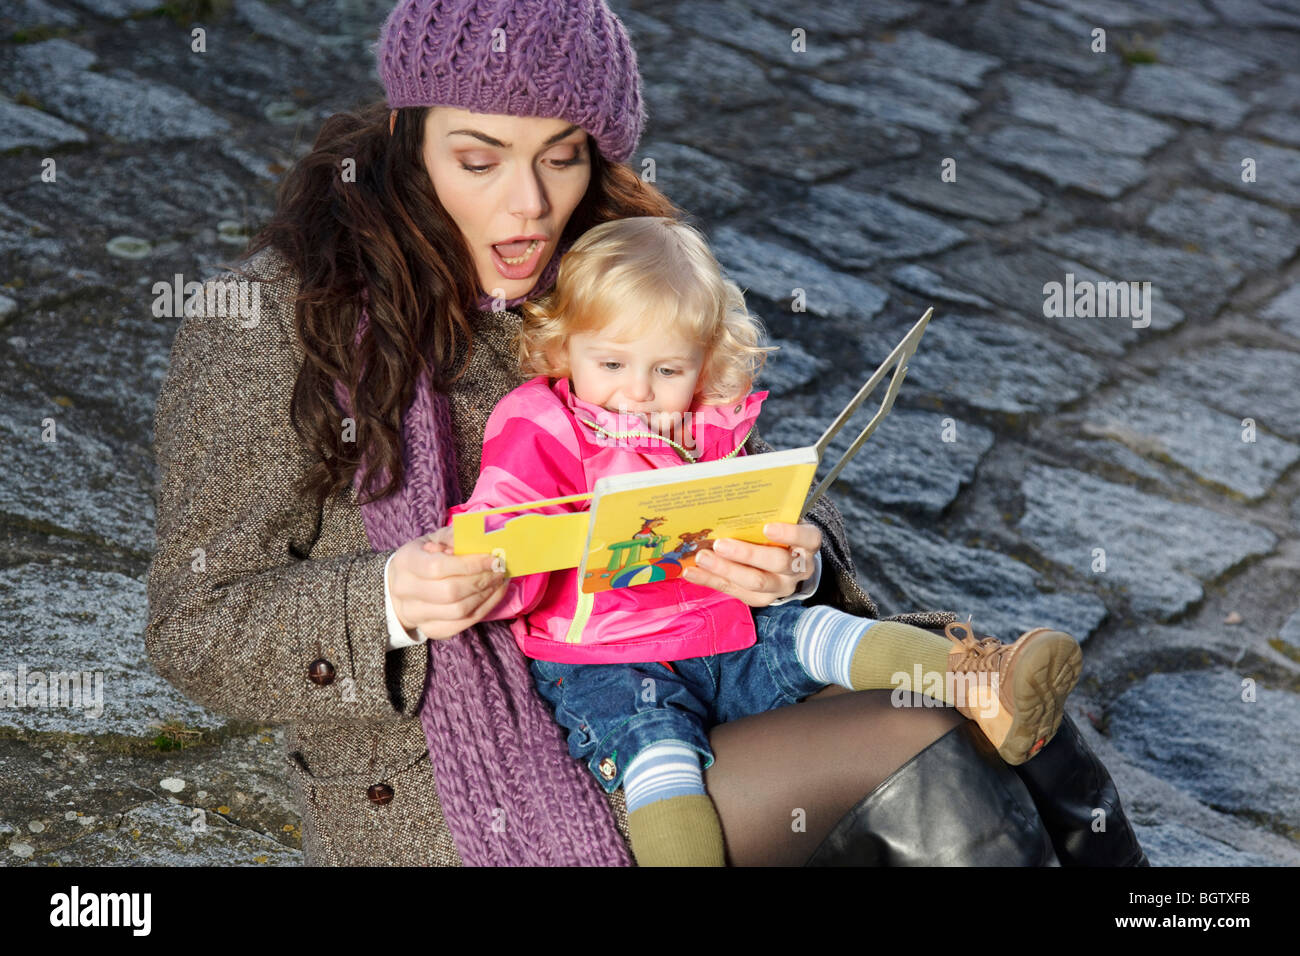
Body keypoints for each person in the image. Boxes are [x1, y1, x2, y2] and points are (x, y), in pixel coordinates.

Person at [146, 0, 1146, 866]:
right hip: (472, 786)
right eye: (478, 157)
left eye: (561, 155)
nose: (528, 202)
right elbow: (194, 622)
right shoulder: (280, 314)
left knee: (1001, 713)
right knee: (928, 737)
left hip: (704, 662)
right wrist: (389, 596)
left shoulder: (614, 255)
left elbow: (731, 460)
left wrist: (783, 559)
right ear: (408, 130)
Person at [429, 216, 1083, 865]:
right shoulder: (544, 423)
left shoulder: (702, 428)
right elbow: (505, 514)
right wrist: (494, 556)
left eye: (666, 369)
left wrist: (789, 560)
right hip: (609, 660)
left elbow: (759, 522)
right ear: (563, 348)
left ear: (702, 363)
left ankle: (982, 682)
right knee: (658, 757)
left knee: (823, 634)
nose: (636, 391)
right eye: (611, 362)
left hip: (726, 633)